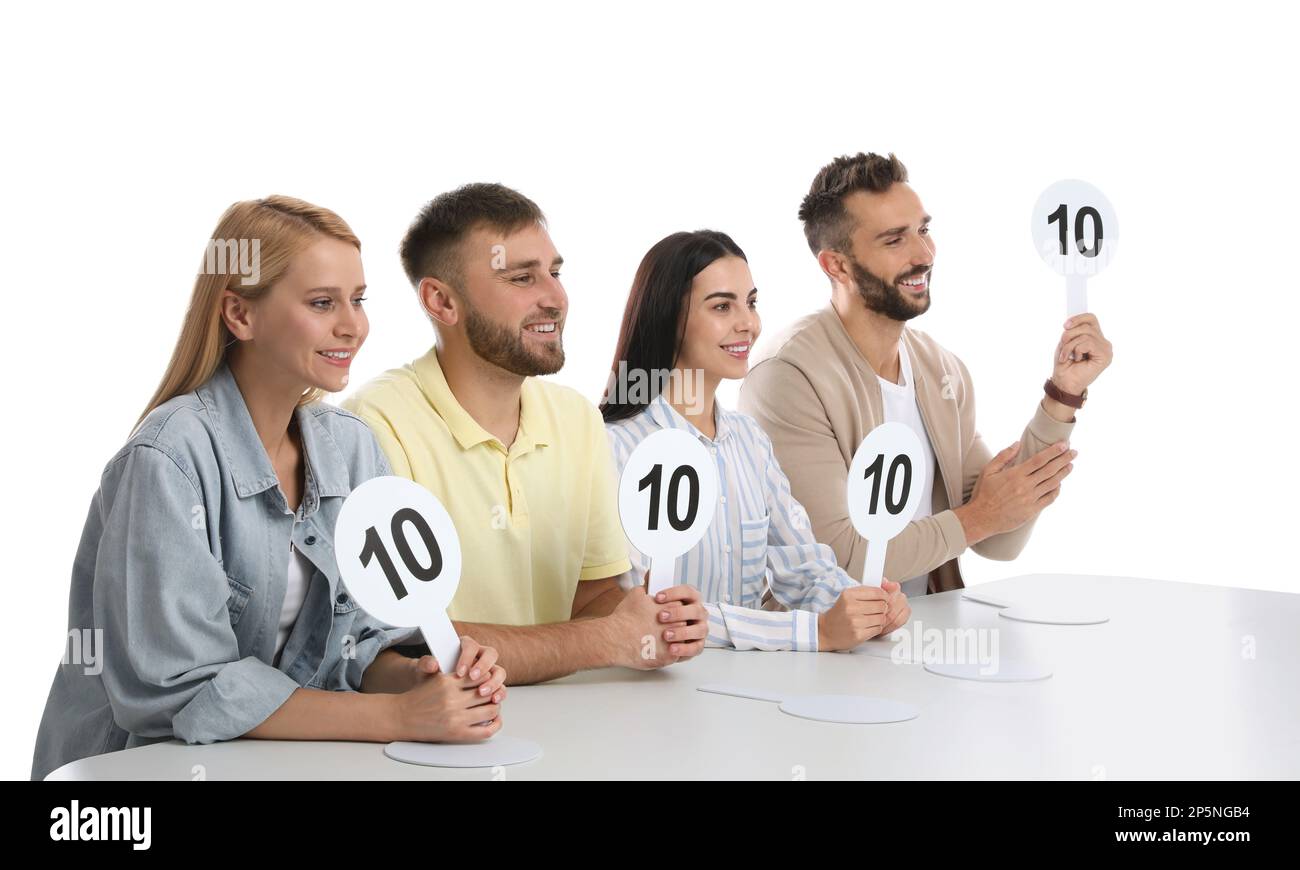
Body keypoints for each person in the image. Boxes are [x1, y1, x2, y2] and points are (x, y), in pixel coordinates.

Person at [32, 196, 505, 780]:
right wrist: (397, 716)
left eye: (357, 300)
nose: (351, 325)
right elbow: (182, 690)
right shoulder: (167, 459)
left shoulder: (353, 448)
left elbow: (359, 643)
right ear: (240, 314)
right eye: (321, 302)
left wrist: (422, 677)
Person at [344, 184, 707, 684]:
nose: (555, 298)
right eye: (522, 278)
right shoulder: (373, 424)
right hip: (446, 739)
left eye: (555, 273)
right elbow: (405, 641)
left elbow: (594, 597)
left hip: (576, 723)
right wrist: (607, 639)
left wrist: (652, 620)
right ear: (442, 301)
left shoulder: (576, 418)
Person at [739, 153, 1114, 595]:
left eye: (923, 230)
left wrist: (1063, 395)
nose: (924, 254)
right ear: (836, 265)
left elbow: (1000, 538)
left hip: (927, 634)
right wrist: (979, 517)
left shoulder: (941, 370)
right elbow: (839, 558)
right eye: (895, 240)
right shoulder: (787, 376)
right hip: (828, 652)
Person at [603, 230, 910, 651]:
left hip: (749, 695)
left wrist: (859, 605)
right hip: (654, 699)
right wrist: (811, 632)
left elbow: (803, 566)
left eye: (750, 302)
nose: (748, 323)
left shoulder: (749, 441)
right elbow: (640, 613)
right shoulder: (613, 449)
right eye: (721, 306)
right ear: (667, 317)